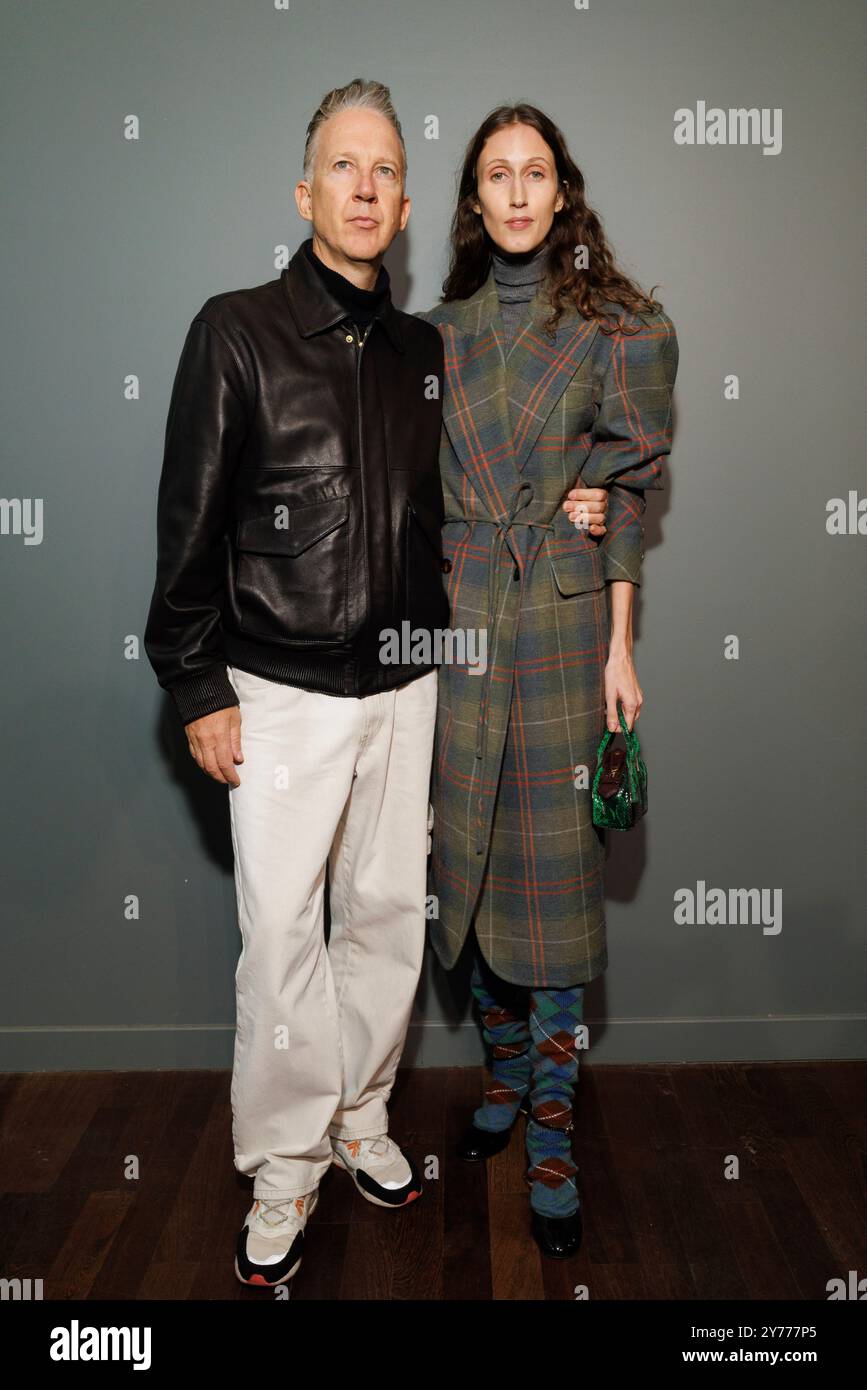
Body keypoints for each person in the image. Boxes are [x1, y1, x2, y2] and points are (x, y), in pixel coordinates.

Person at [144, 78, 450, 1288]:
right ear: (305, 188)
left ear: (406, 201)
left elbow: (454, 509)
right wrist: (194, 685)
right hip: (275, 688)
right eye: (343, 165)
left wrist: (590, 498)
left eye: (384, 170)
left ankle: (360, 1120)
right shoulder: (237, 330)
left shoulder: (424, 351)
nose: (365, 187)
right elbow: (188, 526)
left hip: (408, 687)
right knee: (281, 940)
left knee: (383, 925)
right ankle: (283, 1167)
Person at [418, 103, 679, 1259]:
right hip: (463, 625)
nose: (517, 194)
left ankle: (557, 1127)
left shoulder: (617, 328)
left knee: (557, 889)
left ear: (561, 192)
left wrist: (623, 644)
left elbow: (624, 494)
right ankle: (506, 1073)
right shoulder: (434, 337)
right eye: (494, 176)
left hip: (569, 633)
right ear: (474, 204)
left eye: (535, 173)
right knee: (467, 866)